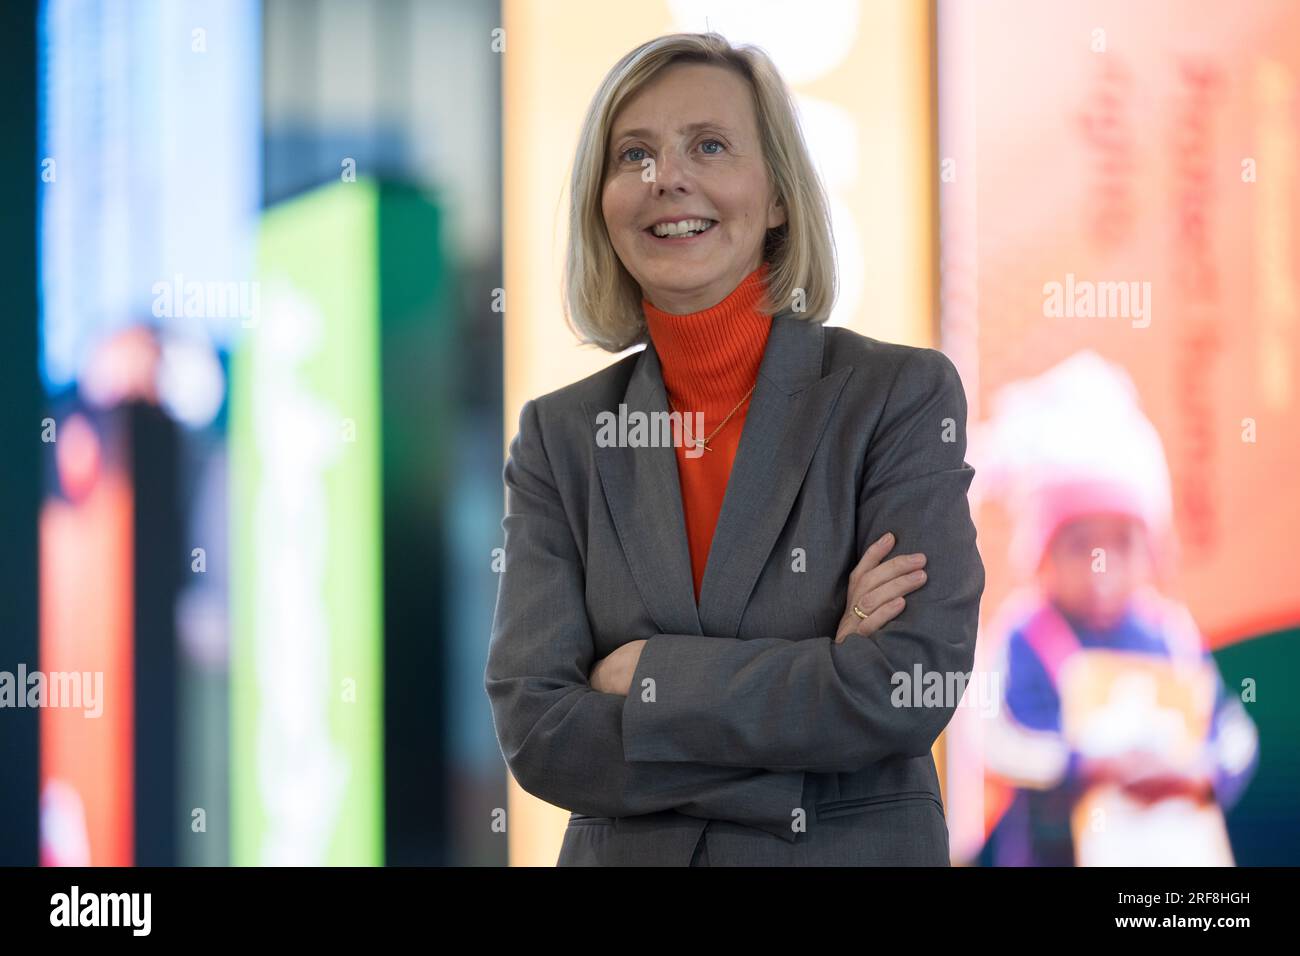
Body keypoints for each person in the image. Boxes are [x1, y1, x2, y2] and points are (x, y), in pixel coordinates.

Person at [484, 32, 984, 866]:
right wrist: (817, 688)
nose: (664, 178)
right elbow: (540, 730)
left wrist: (647, 680)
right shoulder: (558, 438)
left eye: (708, 146)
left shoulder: (898, 397)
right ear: (601, 202)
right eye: (632, 155)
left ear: (780, 196)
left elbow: (905, 684)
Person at [975, 351, 1259, 866]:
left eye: (1121, 546)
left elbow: (1234, 733)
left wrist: (1201, 769)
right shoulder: (1024, 635)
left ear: (1150, 551)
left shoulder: (1170, 634)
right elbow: (997, 741)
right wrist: (1086, 764)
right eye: (1081, 546)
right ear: (1043, 555)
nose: (1101, 570)